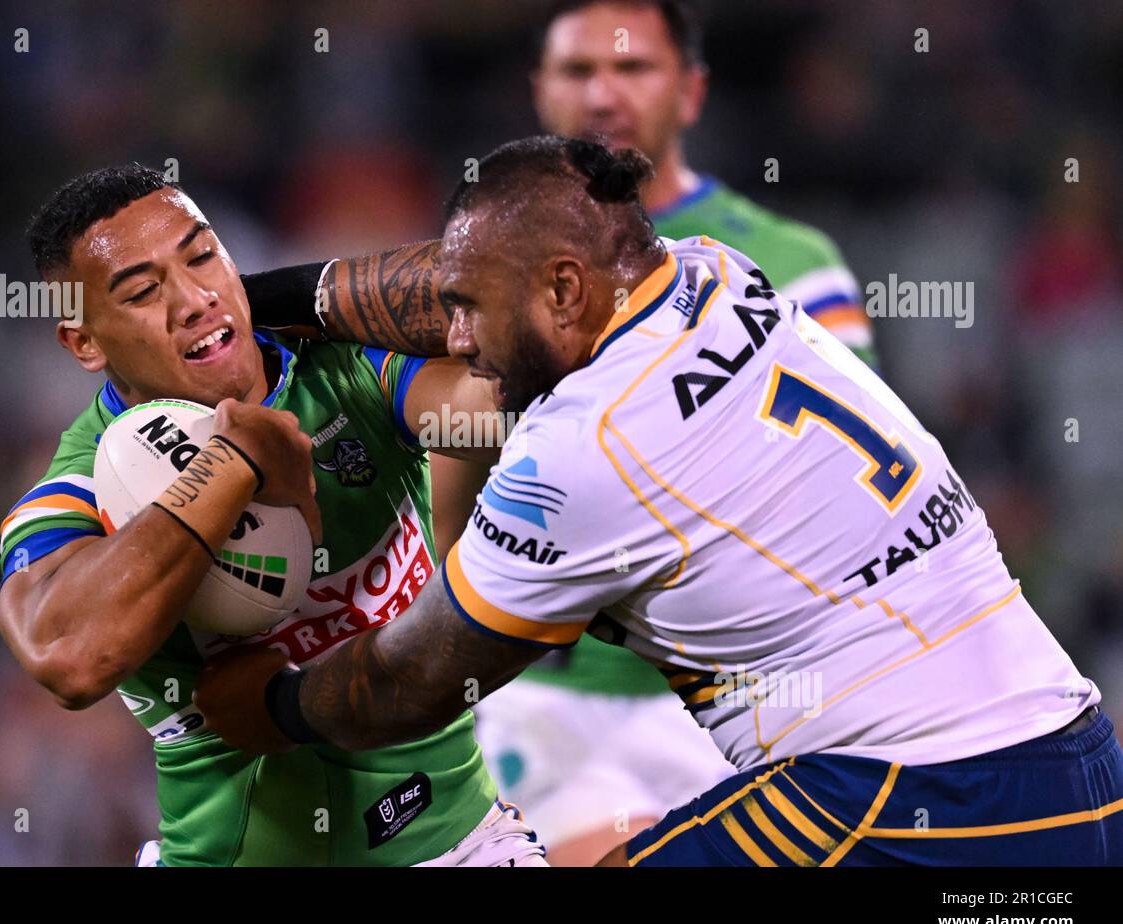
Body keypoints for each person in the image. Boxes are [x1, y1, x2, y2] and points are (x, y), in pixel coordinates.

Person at [195, 137, 1122, 866]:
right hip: (1077, 769)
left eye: (471, 310)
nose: (458, 337)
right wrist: (244, 306)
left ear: (563, 288)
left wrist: (271, 705)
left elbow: (409, 684)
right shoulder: (709, 274)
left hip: (930, 802)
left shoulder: (581, 454)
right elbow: (457, 277)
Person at [0, 164, 546, 866]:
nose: (193, 300)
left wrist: (295, 295)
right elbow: (67, 657)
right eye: (141, 292)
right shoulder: (82, 480)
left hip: (466, 844)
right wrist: (233, 464)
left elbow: (523, 346)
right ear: (84, 343)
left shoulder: (348, 369)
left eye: (202, 257)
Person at [433, 0, 878, 865]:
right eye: (576, 70)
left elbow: (834, 489)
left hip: (734, 700)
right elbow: (453, 440)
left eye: (633, 68)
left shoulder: (792, 262)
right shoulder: (486, 255)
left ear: (693, 90)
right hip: (541, 693)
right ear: (538, 90)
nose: (603, 93)